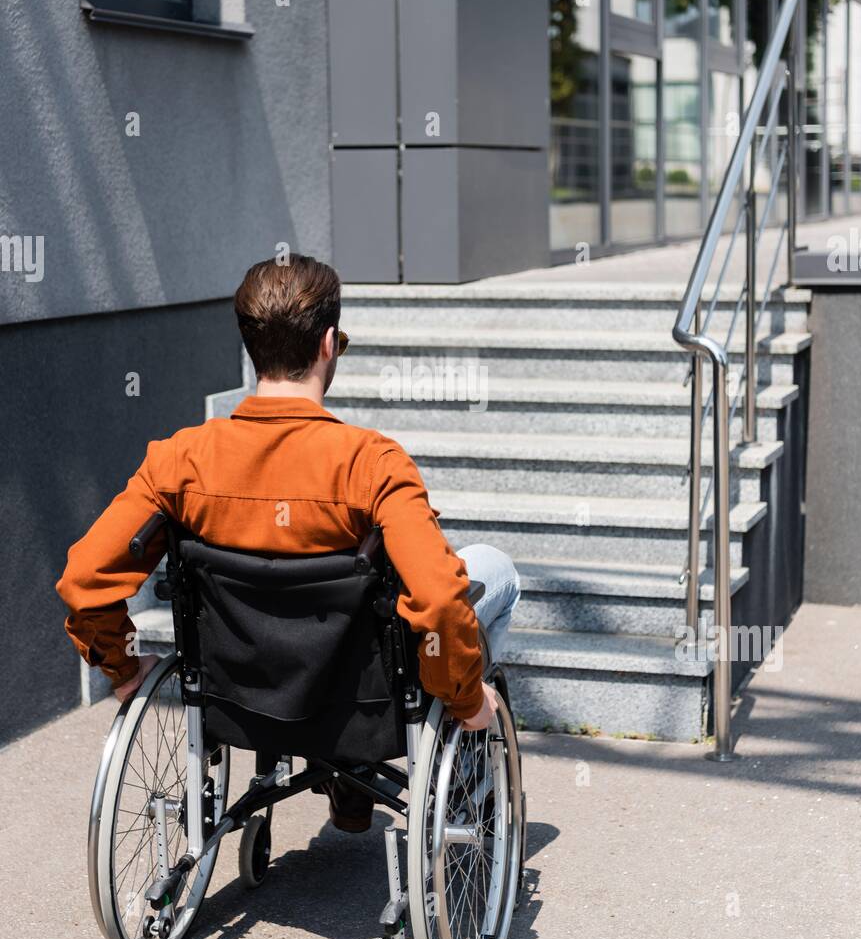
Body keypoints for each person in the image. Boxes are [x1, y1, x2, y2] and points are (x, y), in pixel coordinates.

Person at [56, 254, 520, 832]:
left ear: (252, 349)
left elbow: (84, 580)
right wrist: (468, 697)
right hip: (358, 699)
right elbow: (440, 601)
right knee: (495, 571)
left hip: (235, 694)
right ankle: (458, 758)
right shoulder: (372, 463)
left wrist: (121, 668)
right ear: (328, 344)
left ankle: (340, 770)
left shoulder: (178, 460)